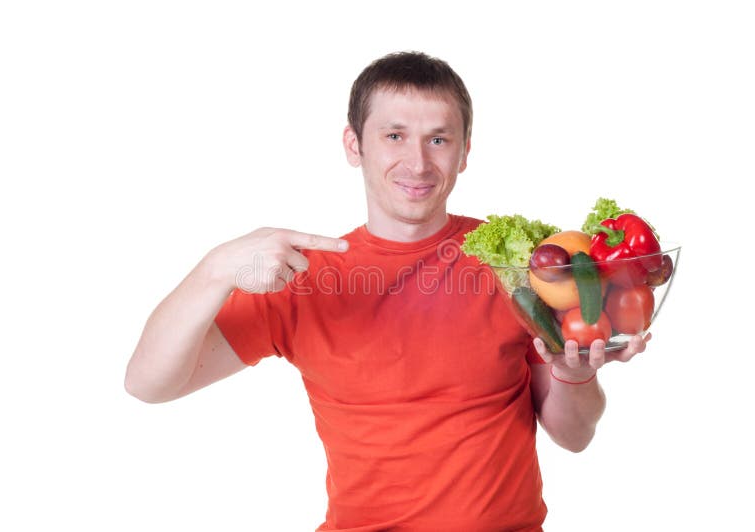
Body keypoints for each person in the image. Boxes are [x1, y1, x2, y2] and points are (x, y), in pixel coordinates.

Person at [125, 51, 650, 532]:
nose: (418, 164)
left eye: (439, 139)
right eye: (394, 136)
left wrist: (573, 374)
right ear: (354, 144)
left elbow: (573, 436)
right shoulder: (304, 278)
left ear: (465, 151)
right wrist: (213, 270)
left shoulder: (512, 263)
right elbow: (150, 384)